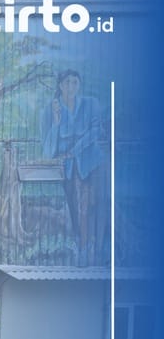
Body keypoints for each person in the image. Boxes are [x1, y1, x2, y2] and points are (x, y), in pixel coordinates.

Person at [41, 70, 106, 265]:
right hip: (68, 168)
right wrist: (56, 122)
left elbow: (97, 130)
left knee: (99, 202)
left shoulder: (90, 104)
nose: (71, 86)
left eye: (75, 82)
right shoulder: (50, 110)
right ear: (60, 85)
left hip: (93, 162)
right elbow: (48, 149)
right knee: (75, 207)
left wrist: (75, 150)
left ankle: (99, 248)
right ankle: (81, 246)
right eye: (67, 82)